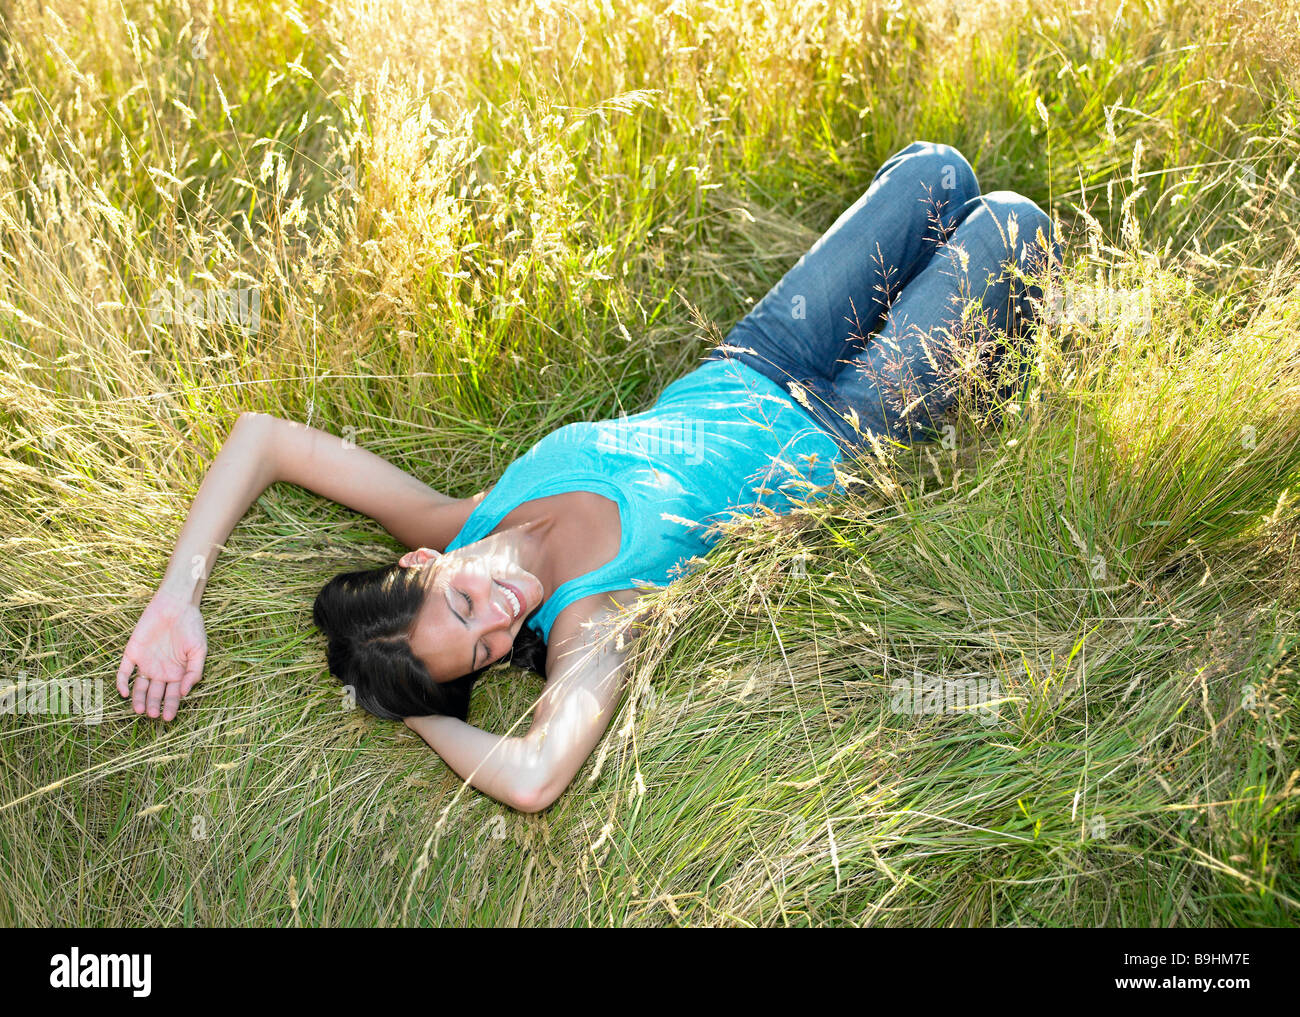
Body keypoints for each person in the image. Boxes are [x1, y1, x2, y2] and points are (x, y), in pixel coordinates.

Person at [117, 140, 1062, 813]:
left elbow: (265, 440)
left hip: (761, 354)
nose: (500, 617)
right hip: (857, 424)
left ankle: (1005, 346)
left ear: (423, 558)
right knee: (1015, 227)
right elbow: (533, 777)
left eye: (461, 609)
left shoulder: (457, 514)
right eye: (486, 652)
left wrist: (179, 595)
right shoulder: (588, 618)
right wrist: (409, 713)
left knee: (938, 171)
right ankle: (1003, 377)